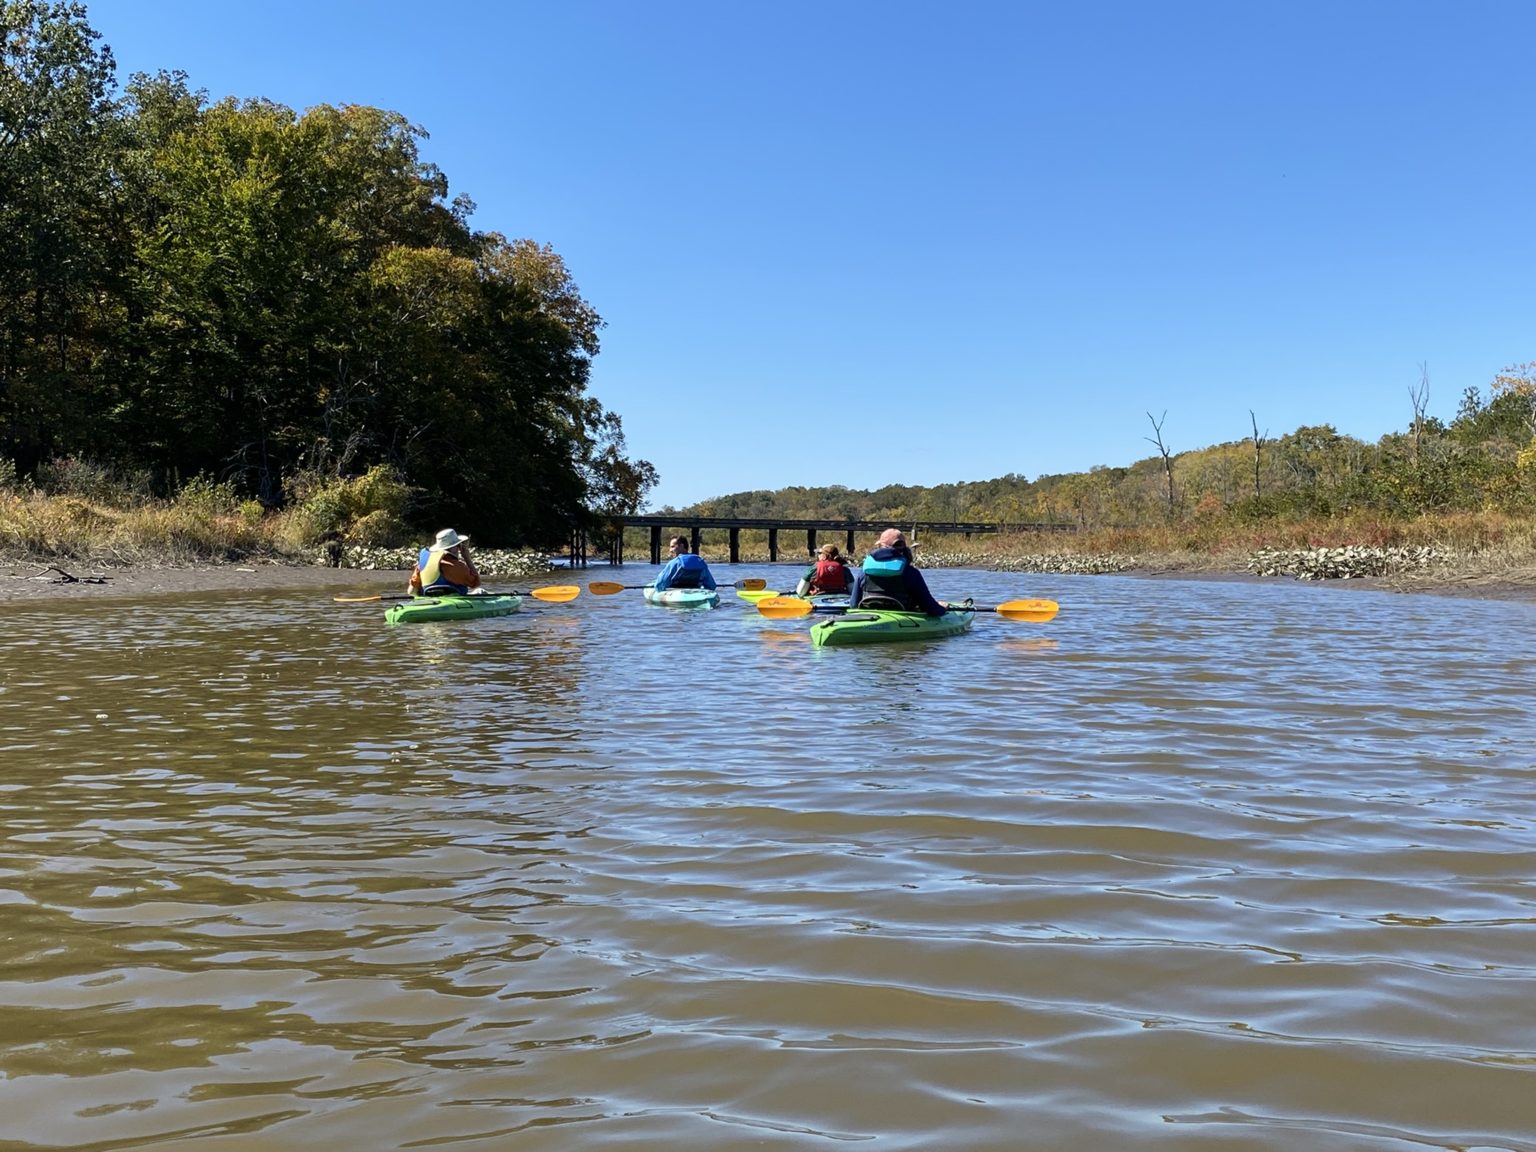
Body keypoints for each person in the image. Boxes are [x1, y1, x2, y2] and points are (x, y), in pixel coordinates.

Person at [848, 528, 947, 616]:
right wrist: (942, 608)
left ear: (879, 546)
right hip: (904, 621)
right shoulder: (910, 572)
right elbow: (931, 608)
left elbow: (853, 604)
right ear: (903, 549)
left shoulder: (864, 571)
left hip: (870, 616)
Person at [408, 528, 482, 596]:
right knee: (480, 591)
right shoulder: (457, 566)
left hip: (429, 600)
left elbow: (411, 591)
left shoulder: (422, 565)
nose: (459, 549)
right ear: (454, 547)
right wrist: (467, 558)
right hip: (453, 602)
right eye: (458, 545)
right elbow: (476, 583)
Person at [652, 535, 717, 592]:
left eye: (672, 546)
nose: (670, 550)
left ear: (681, 546)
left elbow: (659, 585)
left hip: (677, 594)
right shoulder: (700, 562)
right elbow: (712, 586)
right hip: (695, 592)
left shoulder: (674, 563)